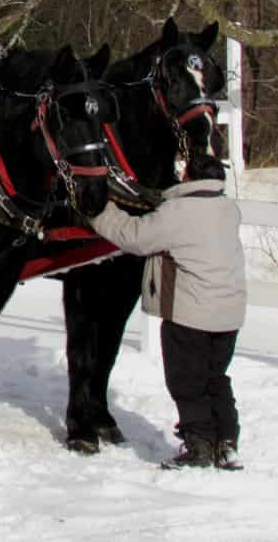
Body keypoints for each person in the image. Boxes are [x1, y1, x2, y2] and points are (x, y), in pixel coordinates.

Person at [89, 153, 246, 470]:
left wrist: (98, 209)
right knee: (215, 378)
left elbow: (135, 236)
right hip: (229, 314)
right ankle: (226, 442)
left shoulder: (180, 212)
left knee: (187, 381)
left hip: (191, 314)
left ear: (187, 176)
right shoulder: (228, 209)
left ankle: (199, 444)